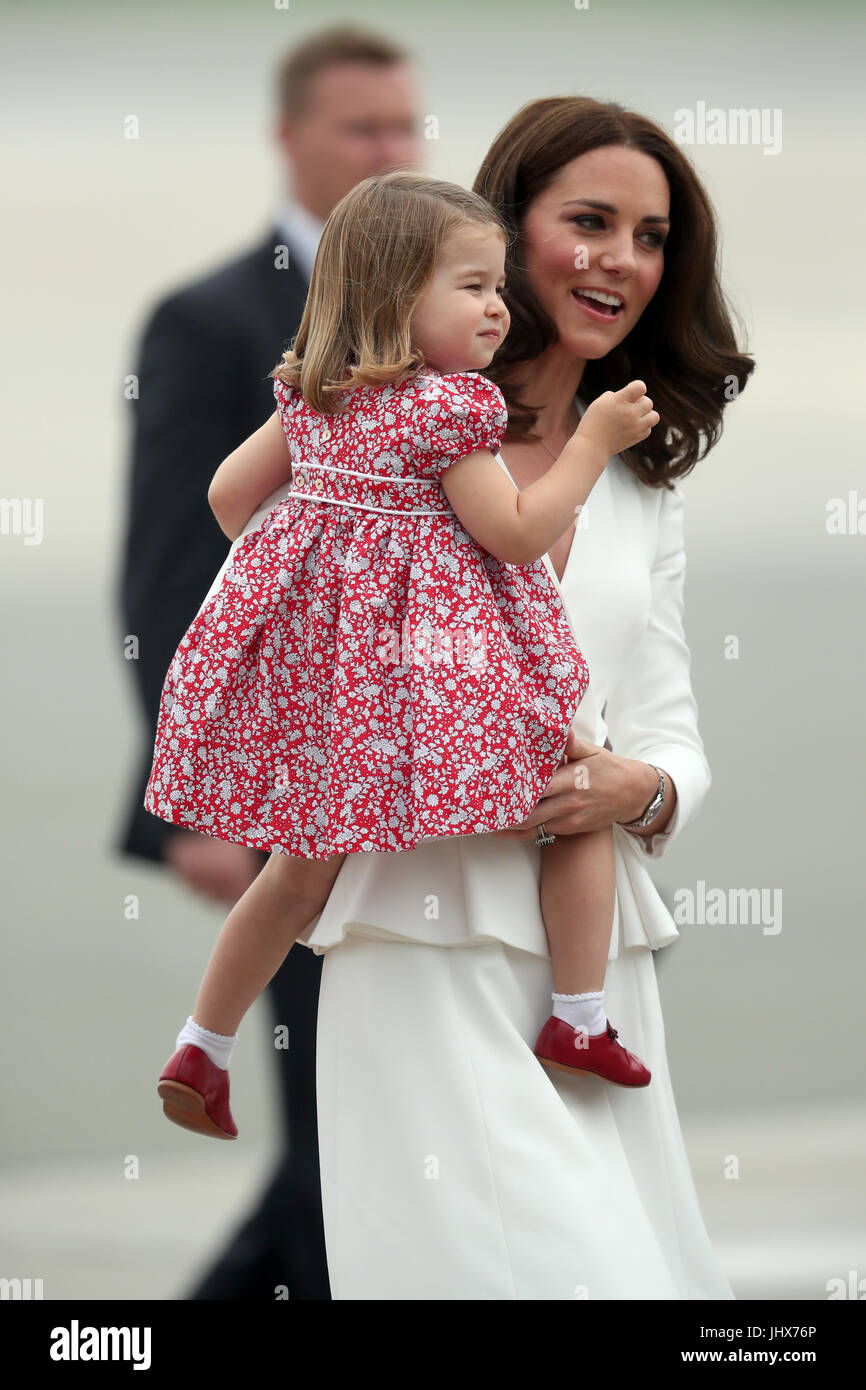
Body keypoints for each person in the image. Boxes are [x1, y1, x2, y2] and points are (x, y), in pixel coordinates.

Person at [271, 95, 753, 1298]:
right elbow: (260, 611)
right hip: (416, 940)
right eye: (588, 220)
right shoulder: (369, 439)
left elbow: (671, 735)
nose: (622, 262)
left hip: (593, 971)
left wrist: (634, 790)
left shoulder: (641, 489)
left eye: (651, 239)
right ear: (499, 227)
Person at [148, 171, 661, 1146]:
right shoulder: (447, 411)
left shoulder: (310, 395)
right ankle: (580, 1017)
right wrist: (590, 444)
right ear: (393, 295)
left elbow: (225, 501)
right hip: (438, 677)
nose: (498, 310)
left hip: (336, 684)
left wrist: (316, 555)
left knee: (297, 874)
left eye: (499, 287)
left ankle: (201, 1044)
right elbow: (514, 533)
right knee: (575, 804)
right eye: (472, 287)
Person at [115, 24, 423, 1299]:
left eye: (405, 129)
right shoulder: (206, 318)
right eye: (362, 129)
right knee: (327, 1114)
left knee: (397, 1103)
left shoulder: (461, 311)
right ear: (288, 137)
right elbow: (174, 568)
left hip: (427, 774)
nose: (388, 153)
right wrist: (194, 796)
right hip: (287, 783)